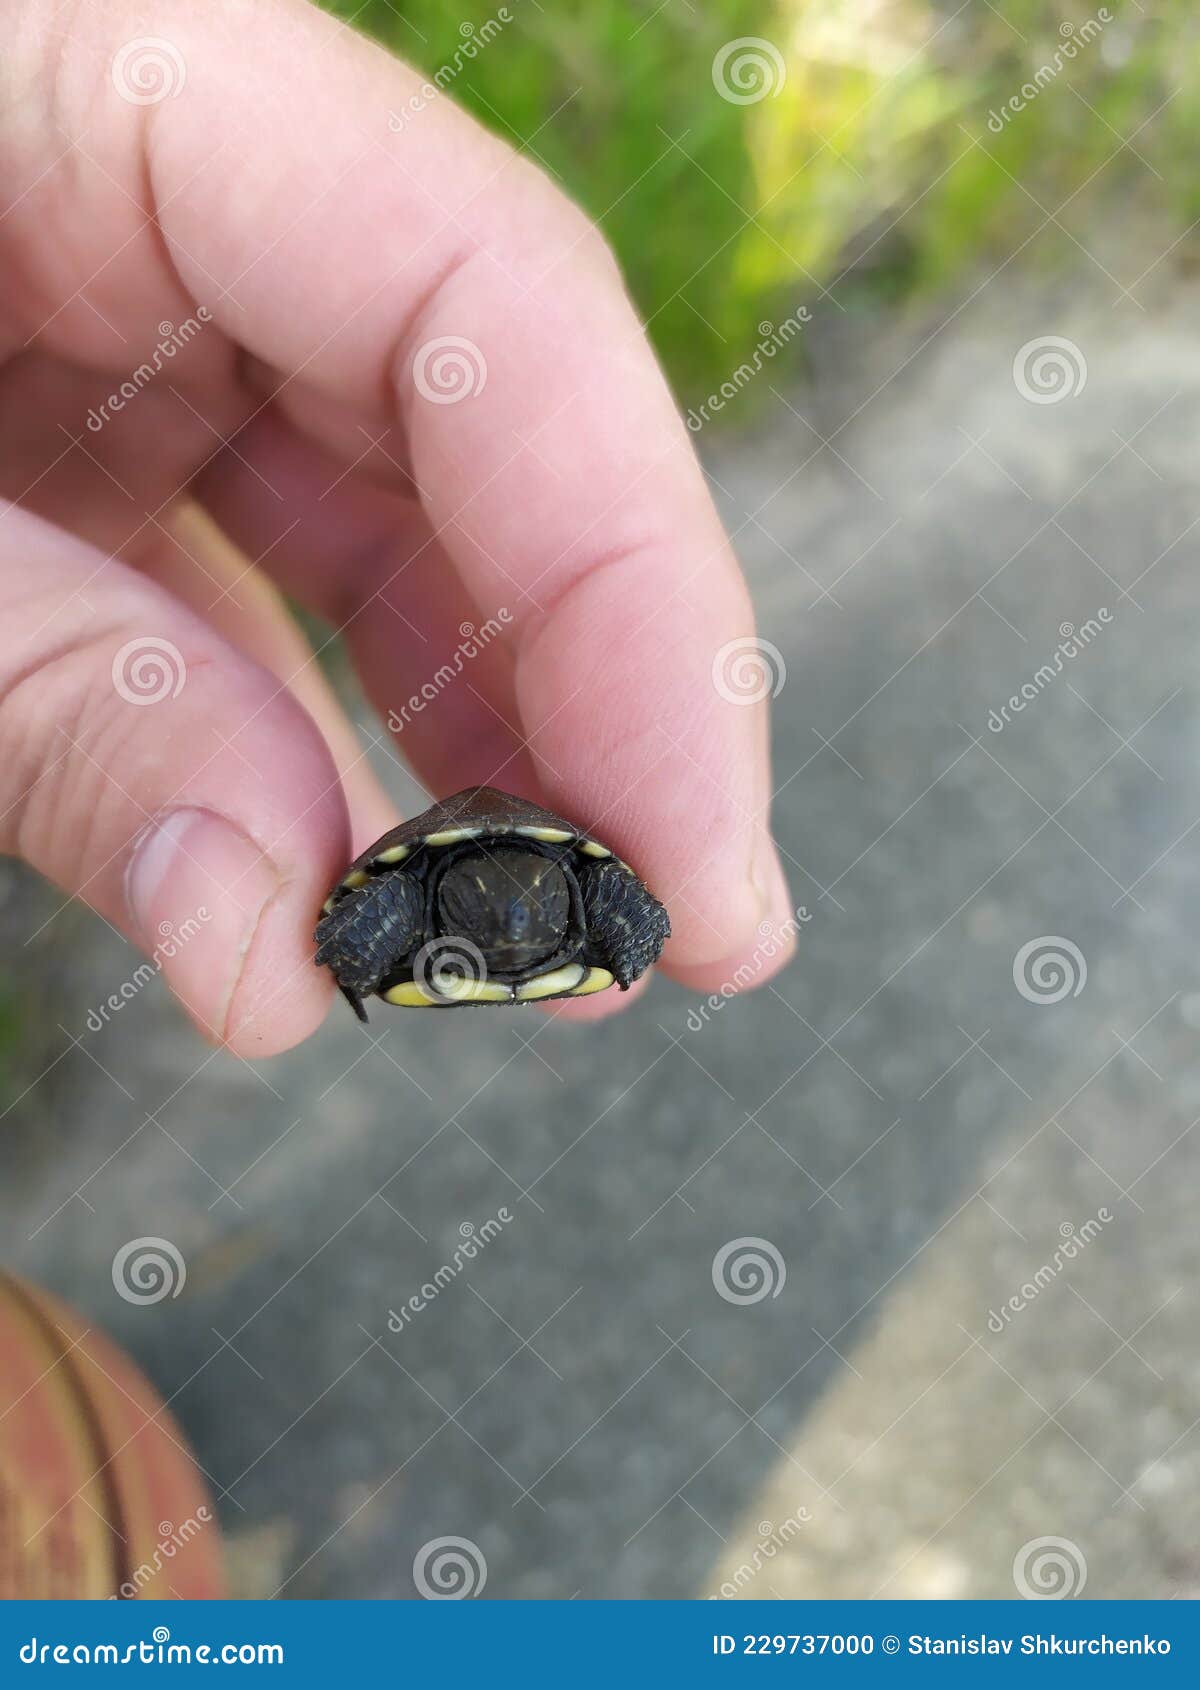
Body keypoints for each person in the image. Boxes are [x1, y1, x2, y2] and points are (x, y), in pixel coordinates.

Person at [0, 0, 794, 1055]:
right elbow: (362, 916)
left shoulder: (579, 897)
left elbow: (630, 920)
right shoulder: (409, 895)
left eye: (525, 904)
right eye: (494, 904)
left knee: (663, 902)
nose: (509, 918)